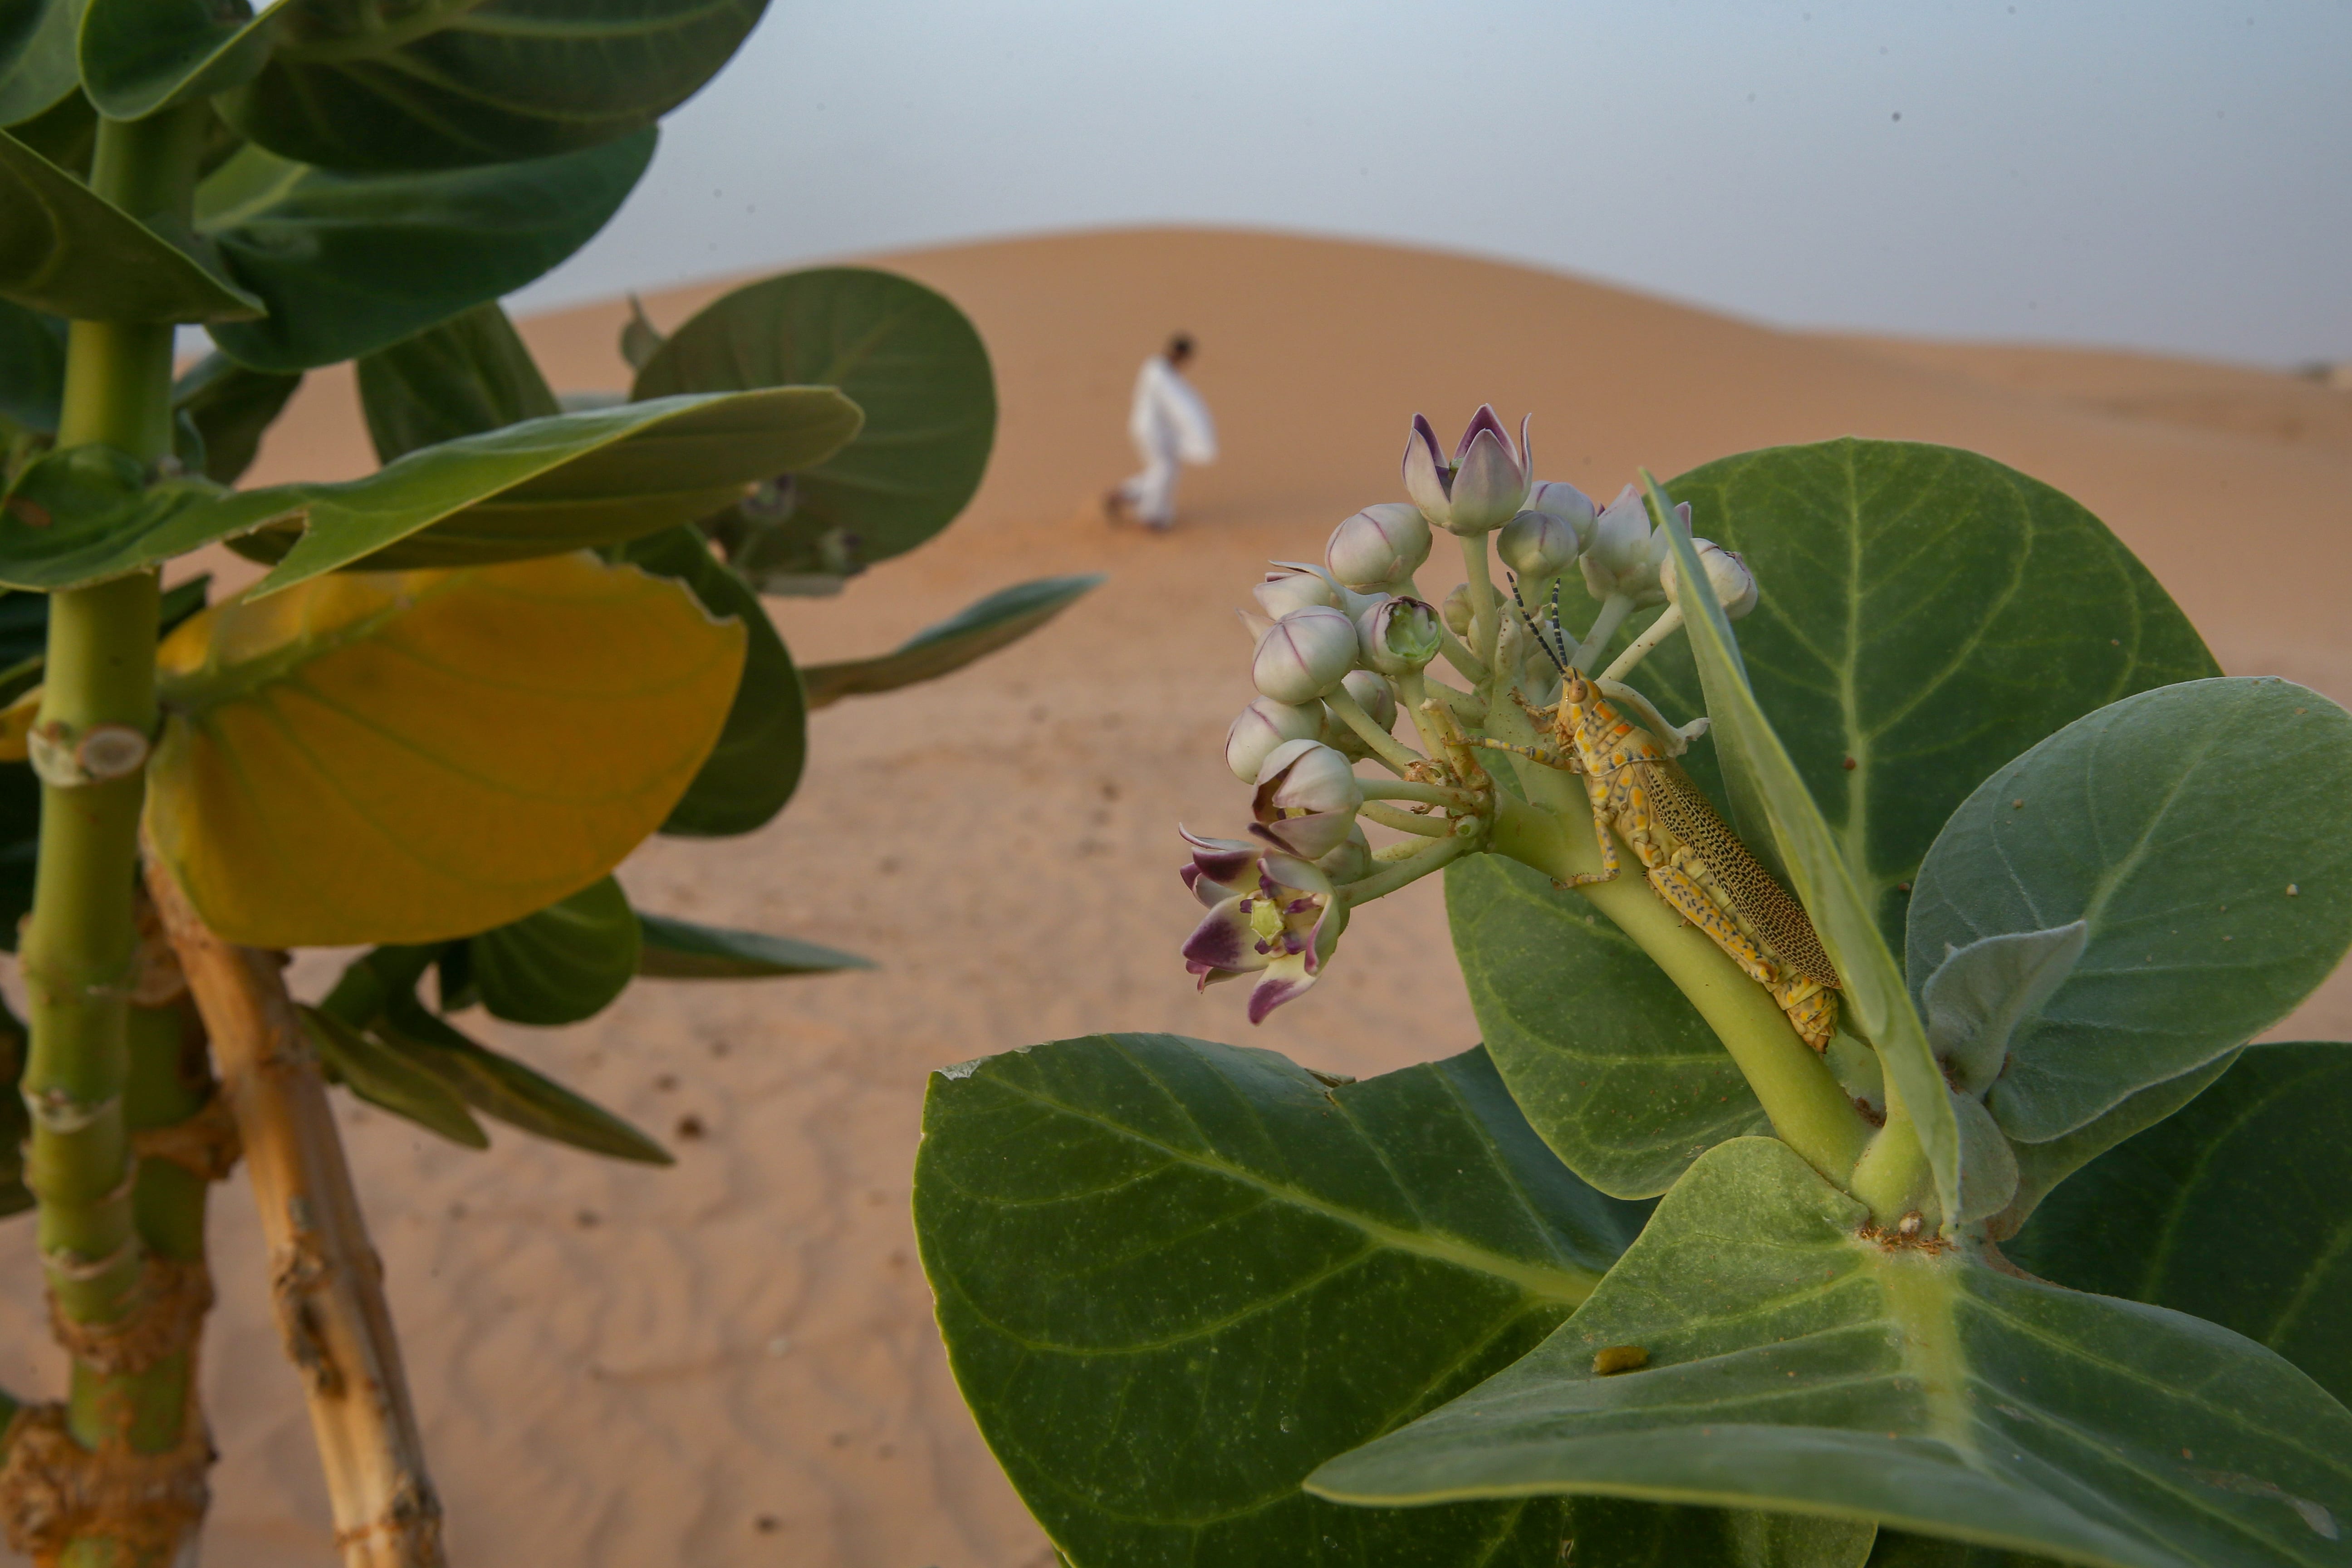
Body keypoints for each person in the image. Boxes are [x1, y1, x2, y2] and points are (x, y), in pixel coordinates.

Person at [1106, 333, 1216, 530]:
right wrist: (1195, 433)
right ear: (1180, 353)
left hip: (1156, 430)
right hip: (1151, 431)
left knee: (1165, 469)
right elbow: (1180, 407)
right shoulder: (1159, 373)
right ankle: (1151, 517)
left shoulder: (1160, 370)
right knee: (1164, 469)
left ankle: (1124, 495)